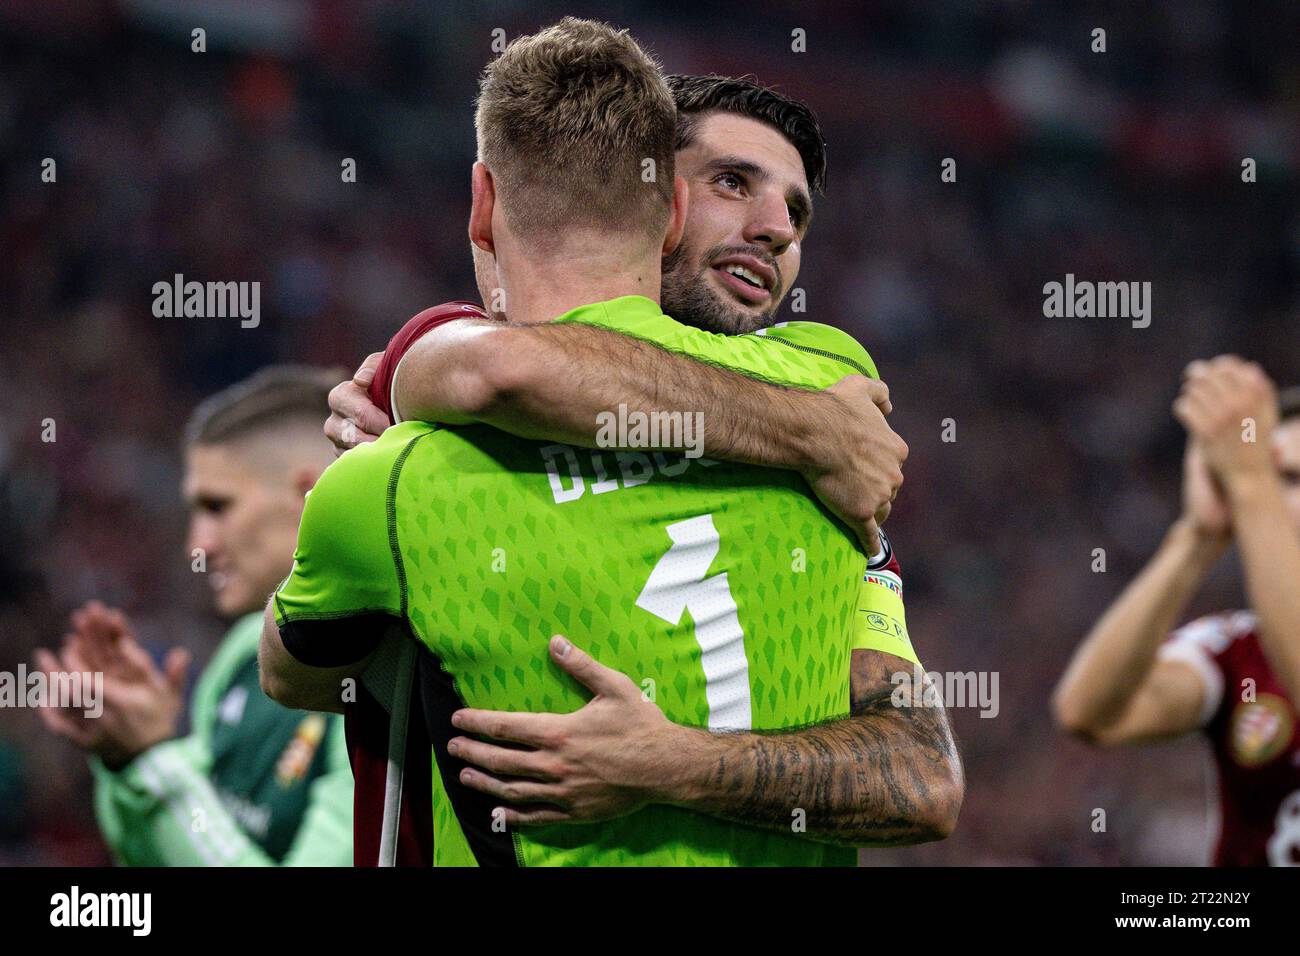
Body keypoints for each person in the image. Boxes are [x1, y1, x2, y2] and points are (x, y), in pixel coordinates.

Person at [263, 18, 959, 865]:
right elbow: (495, 367)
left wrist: (680, 767)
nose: (778, 226)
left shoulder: (827, 377)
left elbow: (924, 783)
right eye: (734, 182)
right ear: (657, 200)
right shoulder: (826, 423)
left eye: (799, 213)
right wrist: (806, 430)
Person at [36, 367, 353, 866]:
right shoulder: (241, 652)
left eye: (217, 506)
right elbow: (157, 856)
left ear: (308, 496)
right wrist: (124, 757)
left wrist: (155, 762)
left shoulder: (378, 676)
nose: (197, 545)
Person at [1054, 356, 1300, 866]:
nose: (1281, 500)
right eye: (1279, 477)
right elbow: (1090, 713)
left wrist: (1252, 483)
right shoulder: (1237, 648)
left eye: (1294, 479)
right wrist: (1196, 538)